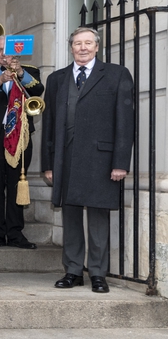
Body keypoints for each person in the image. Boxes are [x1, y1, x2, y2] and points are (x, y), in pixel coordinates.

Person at [42, 27, 134, 294]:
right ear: (71, 47)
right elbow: (49, 125)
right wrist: (48, 163)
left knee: (97, 216)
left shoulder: (117, 75)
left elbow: (125, 122)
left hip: (100, 159)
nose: (82, 48)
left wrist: (120, 162)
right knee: (70, 215)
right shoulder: (57, 79)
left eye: (88, 43)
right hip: (65, 158)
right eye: (77, 43)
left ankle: (97, 273)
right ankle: (72, 270)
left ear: (97, 47)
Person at [0, 35, 44, 250]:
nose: (3, 55)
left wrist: (19, 73)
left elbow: (38, 91)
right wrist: (0, 81)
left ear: (16, 51)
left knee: (16, 185)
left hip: (20, 136)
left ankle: (15, 233)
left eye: (6, 50)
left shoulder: (31, 72)